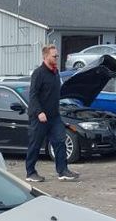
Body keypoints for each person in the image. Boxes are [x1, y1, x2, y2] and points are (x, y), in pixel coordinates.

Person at [26, 44, 79, 183]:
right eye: (54, 56)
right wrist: (39, 112)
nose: (56, 58)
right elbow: (33, 95)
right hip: (39, 117)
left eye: (57, 55)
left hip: (54, 116)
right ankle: (30, 173)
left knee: (60, 142)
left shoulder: (55, 73)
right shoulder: (38, 73)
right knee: (35, 145)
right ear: (45, 56)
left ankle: (63, 171)